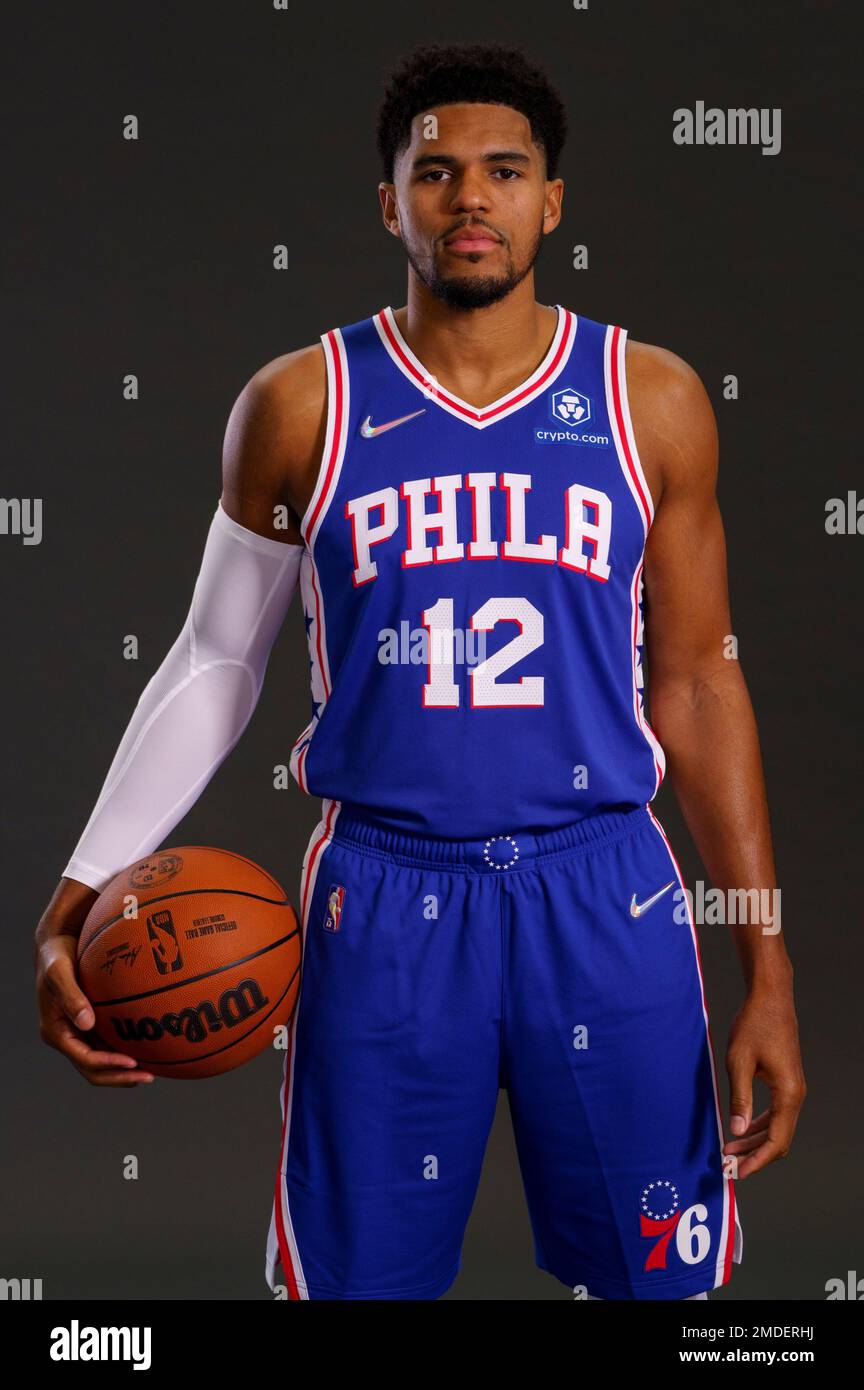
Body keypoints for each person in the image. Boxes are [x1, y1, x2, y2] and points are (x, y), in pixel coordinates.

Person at [35, 41, 805, 1300]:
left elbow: (702, 685)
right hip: (385, 901)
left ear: (551, 200)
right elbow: (216, 659)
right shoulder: (301, 404)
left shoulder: (647, 399)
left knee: (661, 1292)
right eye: (435, 172)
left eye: (504, 171)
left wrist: (767, 968)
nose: (470, 198)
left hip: (603, 890)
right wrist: (76, 888)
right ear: (389, 201)